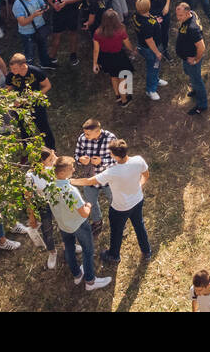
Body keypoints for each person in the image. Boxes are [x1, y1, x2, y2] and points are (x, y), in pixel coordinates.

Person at [83, 139, 151, 264]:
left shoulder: (112, 172)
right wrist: (140, 185)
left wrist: (70, 181)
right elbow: (146, 175)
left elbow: (89, 181)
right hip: (138, 201)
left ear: (115, 155)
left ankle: (114, 255)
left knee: (116, 231)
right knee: (139, 225)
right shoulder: (138, 160)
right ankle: (147, 252)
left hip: (120, 208)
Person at [49, 157, 112, 290]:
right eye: (70, 168)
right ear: (61, 173)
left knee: (70, 249)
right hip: (78, 225)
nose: (74, 169)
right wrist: (88, 205)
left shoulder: (50, 186)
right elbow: (84, 213)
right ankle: (90, 281)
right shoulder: (70, 191)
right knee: (88, 251)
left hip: (63, 225)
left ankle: (77, 274)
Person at [73, 119, 117, 232]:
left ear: (97, 131)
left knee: (115, 200)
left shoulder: (111, 138)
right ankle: (97, 222)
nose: (85, 136)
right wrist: (80, 160)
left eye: (88, 134)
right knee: (90, 201)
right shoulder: (82, 138)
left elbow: (118, 159)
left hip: (108, 177)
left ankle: (118, 223)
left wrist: (102, 161)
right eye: (85, 133)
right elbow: (77, 155)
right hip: (90, 177)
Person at [6, 53, 55, 150]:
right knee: (24, 130)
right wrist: (14, 99)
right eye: (11, 68)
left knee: (44, 128)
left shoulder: (35, 72)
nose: (12, 71)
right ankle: (28, 152)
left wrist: (35, 96)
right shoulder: (11, 75)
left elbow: (47, 85)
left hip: (36, 105)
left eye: (15, 69)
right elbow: (8, 89)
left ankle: (52, 150)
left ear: (23, 65)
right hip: (20, 107)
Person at [92, 9, 134, 106]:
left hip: (106, 57)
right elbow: (127, 44)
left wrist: (95, 63)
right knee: (122, 78)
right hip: (119, 56)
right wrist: (132, 50)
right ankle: (124, 101)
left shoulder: (98, 32)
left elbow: (96, 50)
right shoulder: (120, 31)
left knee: (113, 76)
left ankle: (117, 95)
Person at [133, 0, 170, 101]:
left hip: (142, 45)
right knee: (153, 67)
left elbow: (148, 19)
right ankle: (150, 90)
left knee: (155, 67)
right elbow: (149, 40)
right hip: (150, 49)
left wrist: (154, 21)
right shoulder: (146, 25)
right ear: (148, 7)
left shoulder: (136, 15)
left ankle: (156, 80)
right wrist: (157, 52)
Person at [44, 0, 82, 66]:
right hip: (58, 12)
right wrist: (53, 5)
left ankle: (73, 55)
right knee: (56, 34)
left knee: (72, 33)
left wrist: (66, 2)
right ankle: (52, 57)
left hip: (71, 12)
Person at [174, 0, 208, 115]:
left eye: (180, 16)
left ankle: (202, 105)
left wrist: (196, 59)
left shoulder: (192, 28)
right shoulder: (192, 13)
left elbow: (201, 47)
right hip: (186, 58)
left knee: (197, 80)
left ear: (188, 13)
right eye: (177, 15)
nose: (178, 18)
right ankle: (194, 88)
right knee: (188, 72)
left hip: (192, 58)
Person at [12, 0, 54, 67]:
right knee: (29, 53)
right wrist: (34, 15)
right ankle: (29, 69)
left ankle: (45, 63)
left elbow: (44, 5)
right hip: (27, 33)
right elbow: (22, 23)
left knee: (43, 47)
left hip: (40, 27)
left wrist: (45, 8)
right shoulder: (17, 5)